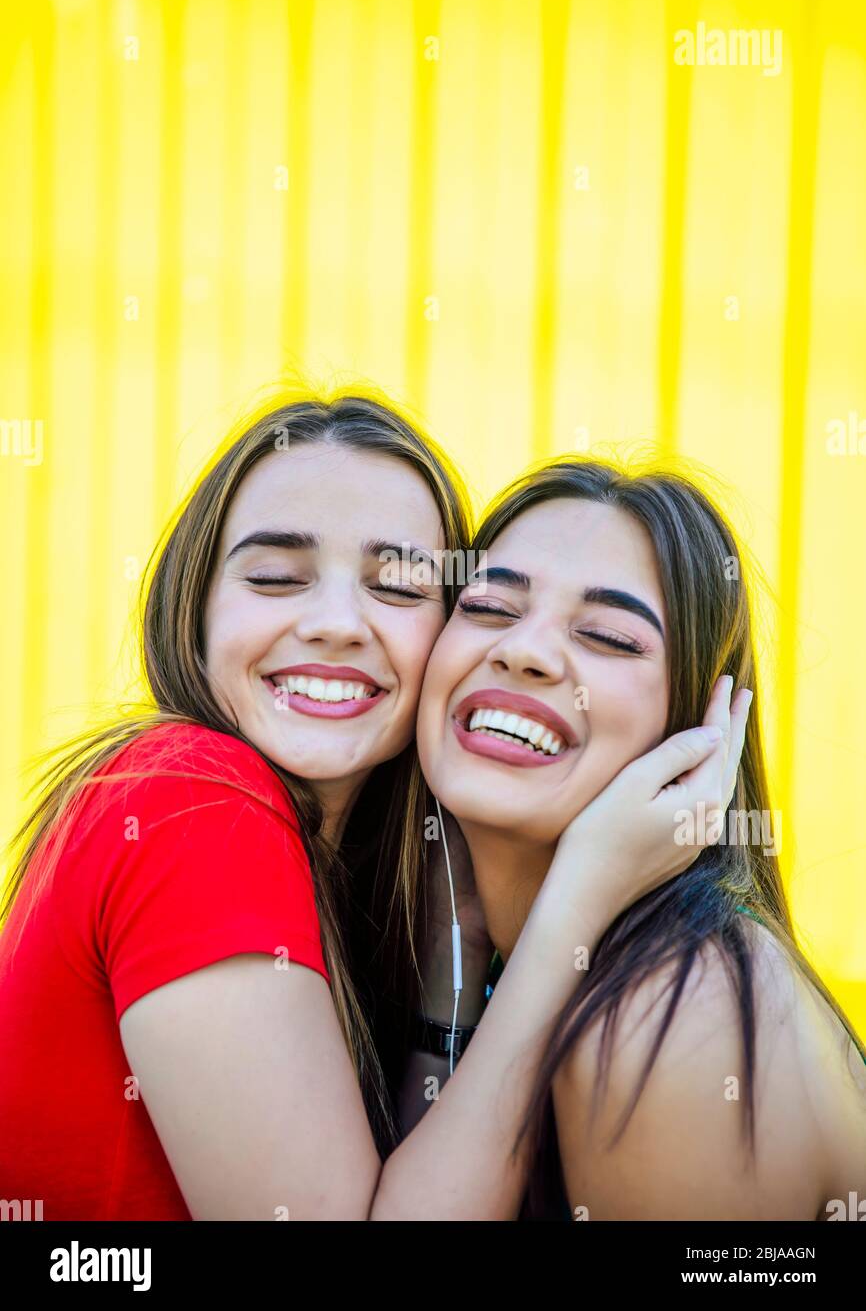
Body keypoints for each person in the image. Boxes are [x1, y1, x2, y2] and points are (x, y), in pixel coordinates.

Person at [0, 395, 740, 1220]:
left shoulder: (360, 882)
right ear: (193, 609)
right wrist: (576, 900)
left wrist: (451, 965)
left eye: (398, 587)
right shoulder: (193, 798)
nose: (335, 625)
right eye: (276, 578)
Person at [416, 458, 866, 1220]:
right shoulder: (495, 958)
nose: (525, 651)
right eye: (490, 606)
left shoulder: (677, 1007)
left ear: (699, 730)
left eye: (608, 638)